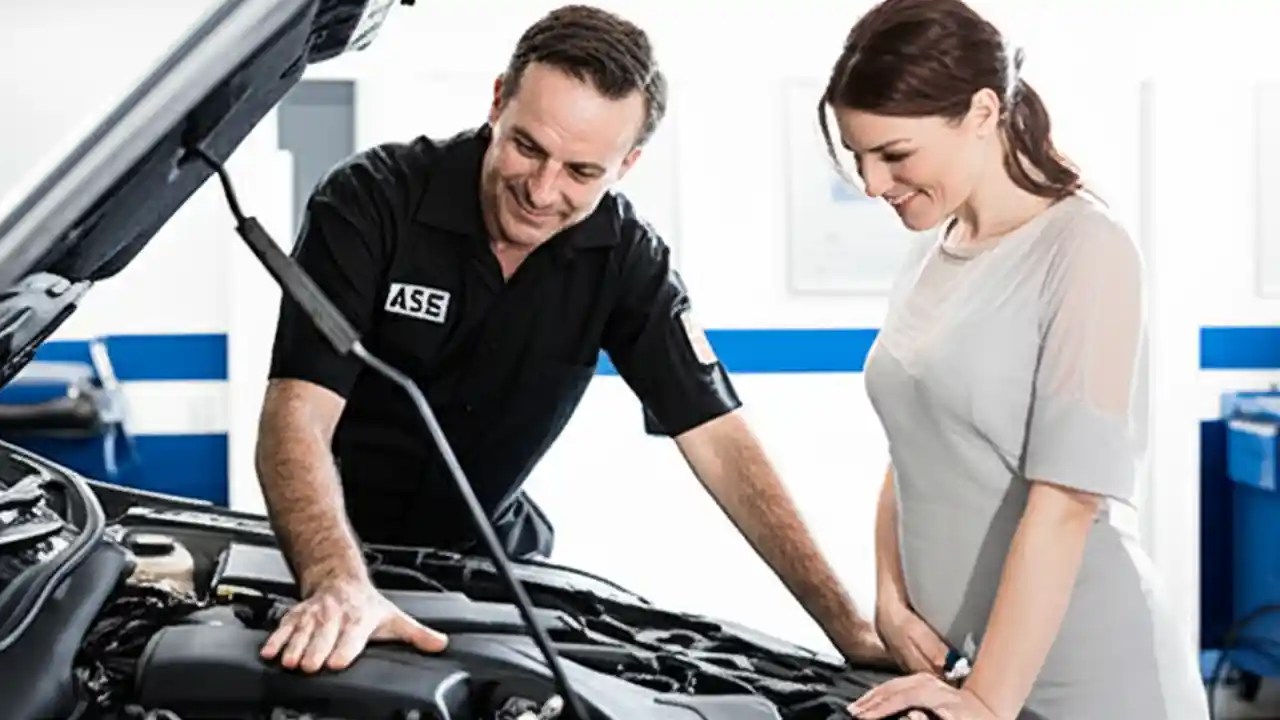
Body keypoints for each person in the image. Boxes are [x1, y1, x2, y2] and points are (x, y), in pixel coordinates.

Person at [253, 3, 888, 678]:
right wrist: (336, 582)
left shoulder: (625, 258)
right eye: (528, 147)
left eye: (582, 172)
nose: (541, 190)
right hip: (334, 556)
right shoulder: (370, 201)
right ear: (498, 100)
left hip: (494, 568)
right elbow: (296, 415)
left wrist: (850, 630)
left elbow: (720, 441)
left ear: (627, 164)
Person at [817, 1, 1212, 718]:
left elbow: (1068, 501)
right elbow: (912, 445)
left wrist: (988, 702)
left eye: (894, 154)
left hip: (1088, 681)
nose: (871, 183)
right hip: (968, 671)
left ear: (982, 112)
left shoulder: (1085, 248)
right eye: (857, 155)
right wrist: (890, 600)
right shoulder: (930, 248)